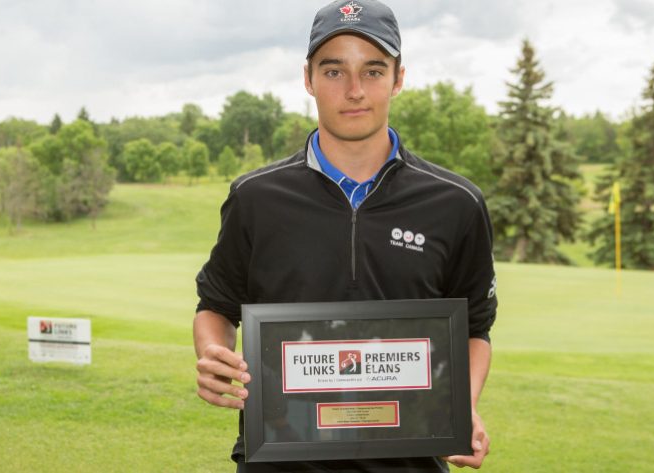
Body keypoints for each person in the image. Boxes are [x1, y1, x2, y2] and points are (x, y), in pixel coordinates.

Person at [193, 1, 497, 471]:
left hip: (410, 461)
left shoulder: (457, 203)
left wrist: (464, 404)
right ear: (308, 78)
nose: (354, 91)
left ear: (398, 78)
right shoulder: (255, 197)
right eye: (334, 72)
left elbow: (475, 329)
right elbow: (217, 305)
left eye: (373, 71)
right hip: (279, 461)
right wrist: (213, 355)